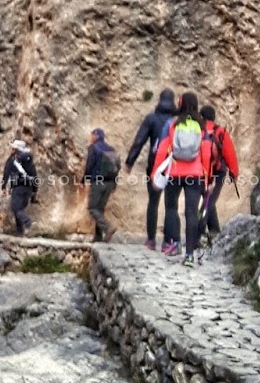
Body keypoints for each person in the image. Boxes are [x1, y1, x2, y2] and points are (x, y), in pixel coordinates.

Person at [151, 91, 211, 264]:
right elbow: (206, 152)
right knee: (191, 213)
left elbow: (162, 149)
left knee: (171, 207)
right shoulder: (201, 125)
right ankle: (190, 255)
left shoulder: (172, 123)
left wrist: (155, 173)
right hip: (195, 173)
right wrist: (206, 178)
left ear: (181, 103)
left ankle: (175, 242)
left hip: (175, 172)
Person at [125, 88, 178, 249]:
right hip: (174, 166)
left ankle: (151, 240)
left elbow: (139, 140)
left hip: (155, 166)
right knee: (171, 205)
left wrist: (130, 161)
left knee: (153, 203)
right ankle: (168, 242)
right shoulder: (178, 120)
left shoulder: (151, 119)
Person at [198, 104, 240, 241]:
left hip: (201, 171)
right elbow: (229, 153)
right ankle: (206, 232)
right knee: (209, 201)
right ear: (213, 117)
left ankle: (213, 232)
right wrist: (234, 173)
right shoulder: (221, 132)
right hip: (218, 172)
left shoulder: (199, 131)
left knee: (208, 200)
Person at [83, 127, 119, 243]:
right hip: (110, 183)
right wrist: (114, 184)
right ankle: (98, 237)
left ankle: (108, 228)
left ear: (96, 136)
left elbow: (89, 165)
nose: (90, 137)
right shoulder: (111, 149)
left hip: (98, 182)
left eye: (92, 135)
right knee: (100, 209)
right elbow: (117, 167)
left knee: (92, 208)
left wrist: (84, 179)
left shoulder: (94, 148)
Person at [2, 139, 38, 237]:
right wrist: (35, 191)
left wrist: (3, 187)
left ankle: (28, 223)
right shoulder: (30, 160)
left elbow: (6, 173)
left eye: (13, 148)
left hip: (18, 187)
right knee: (19, 209)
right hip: (28, 188)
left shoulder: (13, 159)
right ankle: (19, 232)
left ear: (16, 150)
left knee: (16, 209)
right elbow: (35, 176)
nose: (11, 149)